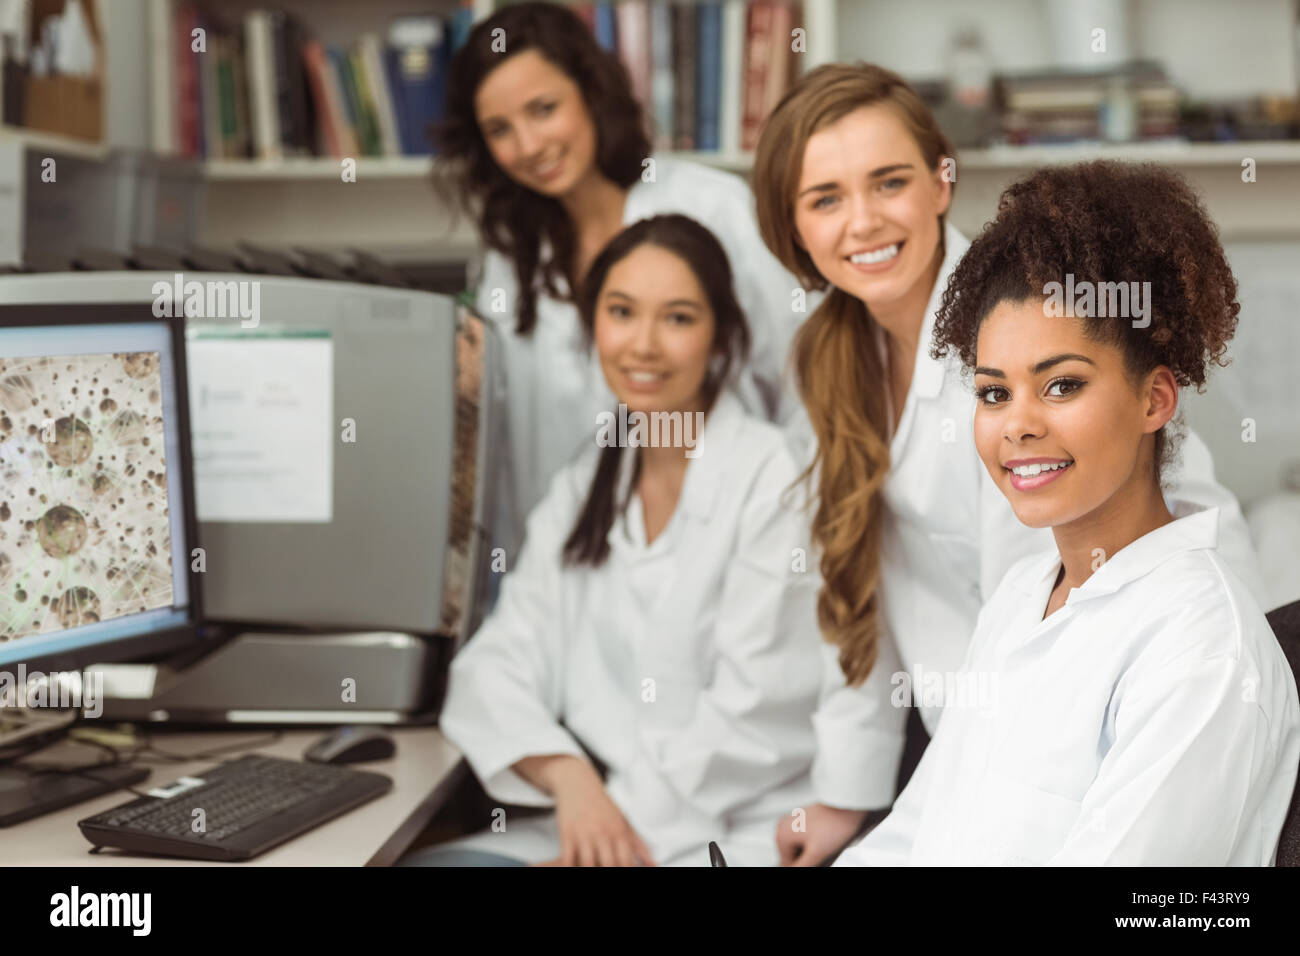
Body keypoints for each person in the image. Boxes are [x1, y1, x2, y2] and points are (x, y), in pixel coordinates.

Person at [748, 62, 1268, 865]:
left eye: (888, 182)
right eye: (825, 198)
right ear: (792, 226)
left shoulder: (1017, 325)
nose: (862, 221)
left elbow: (1057, 560)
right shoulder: (832, 356)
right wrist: (843, 798)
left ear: (941, 182)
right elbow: (868, 582)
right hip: (990, 713)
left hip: (1121, 680)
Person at [835, 161, 1300, 865]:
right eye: (994, 394)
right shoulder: (1022, 598)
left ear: (1155, 401)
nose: (1016, 425)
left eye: (1061, 385)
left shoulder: (1201, 651)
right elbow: (914, 835)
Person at [400, 215, 821, 867]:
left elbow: (753, 718)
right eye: (621, 312)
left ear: (720, 336)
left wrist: (611, 830)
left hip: (726, 832)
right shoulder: (586, 484)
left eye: (678, 318)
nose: (643, 345)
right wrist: (570, 778)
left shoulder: (770, 479)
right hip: (599, 817)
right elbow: (497, 664)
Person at [435, 1, 809, 552]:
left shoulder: (715, 208)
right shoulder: (511, 251)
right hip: (562, 551)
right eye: (500, 129)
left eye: (543, 109)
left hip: (727, 537)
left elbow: (804, 372)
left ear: (591, 92)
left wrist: (794, 517)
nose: (529, 146)